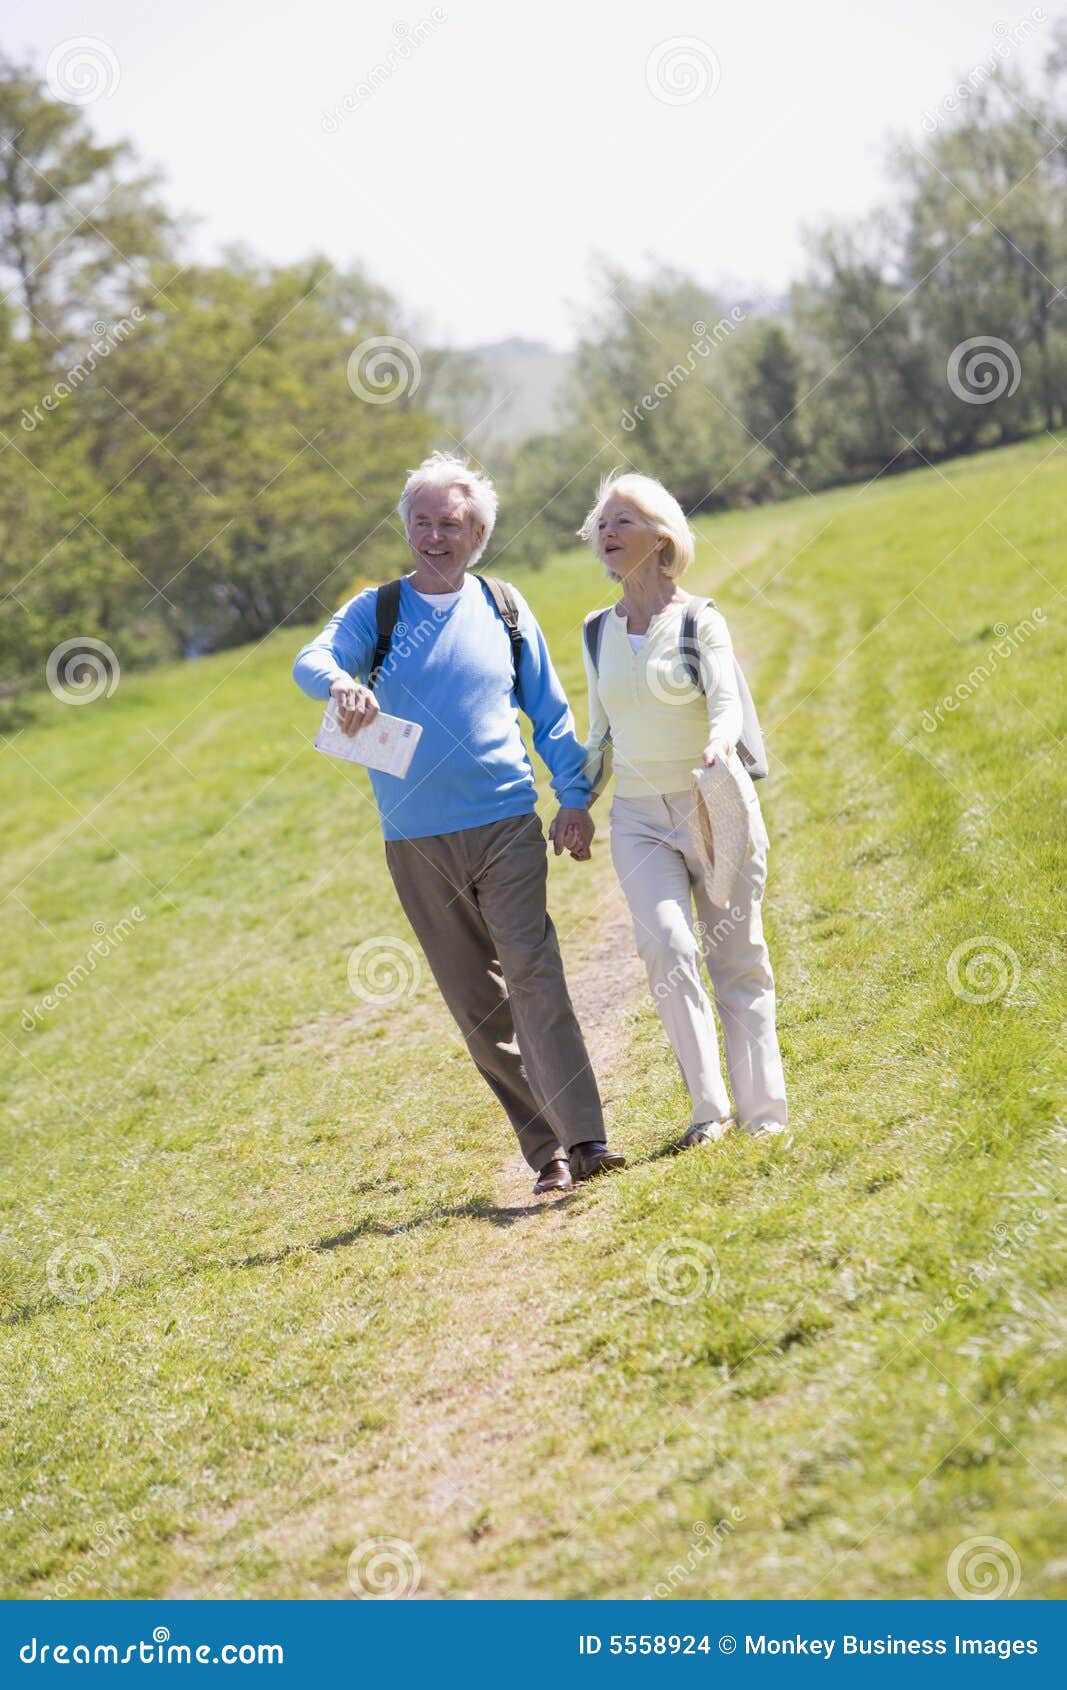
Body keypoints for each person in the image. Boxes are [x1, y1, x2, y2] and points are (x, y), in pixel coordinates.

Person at [292, 451, 625, 1194]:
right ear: (406, 526)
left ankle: (587, 1136)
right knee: (478, 1007)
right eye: (421, 523)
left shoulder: (503, 607)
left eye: (450, 524)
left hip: (505, 822)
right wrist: (343, 683)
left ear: (477, 533)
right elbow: (308, 661)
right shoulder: (375, 612)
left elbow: (548, 711)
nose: (434, 537)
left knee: (535, 979)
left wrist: (571, 797)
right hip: (414, 841)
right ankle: (547, 1153)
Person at [574, 471, 788, 1149]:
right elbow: (599, 731)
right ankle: (707, 1112)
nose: (607, 532)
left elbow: (724, 698)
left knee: (737, 959)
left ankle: (764, 1115)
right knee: (666, 949)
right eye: (601, 522)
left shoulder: (699, 620)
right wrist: (574, 801)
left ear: (661, 538)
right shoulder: (594, 632)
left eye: (623, 521)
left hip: (710, 803)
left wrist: (720, 739)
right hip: (637, 819)